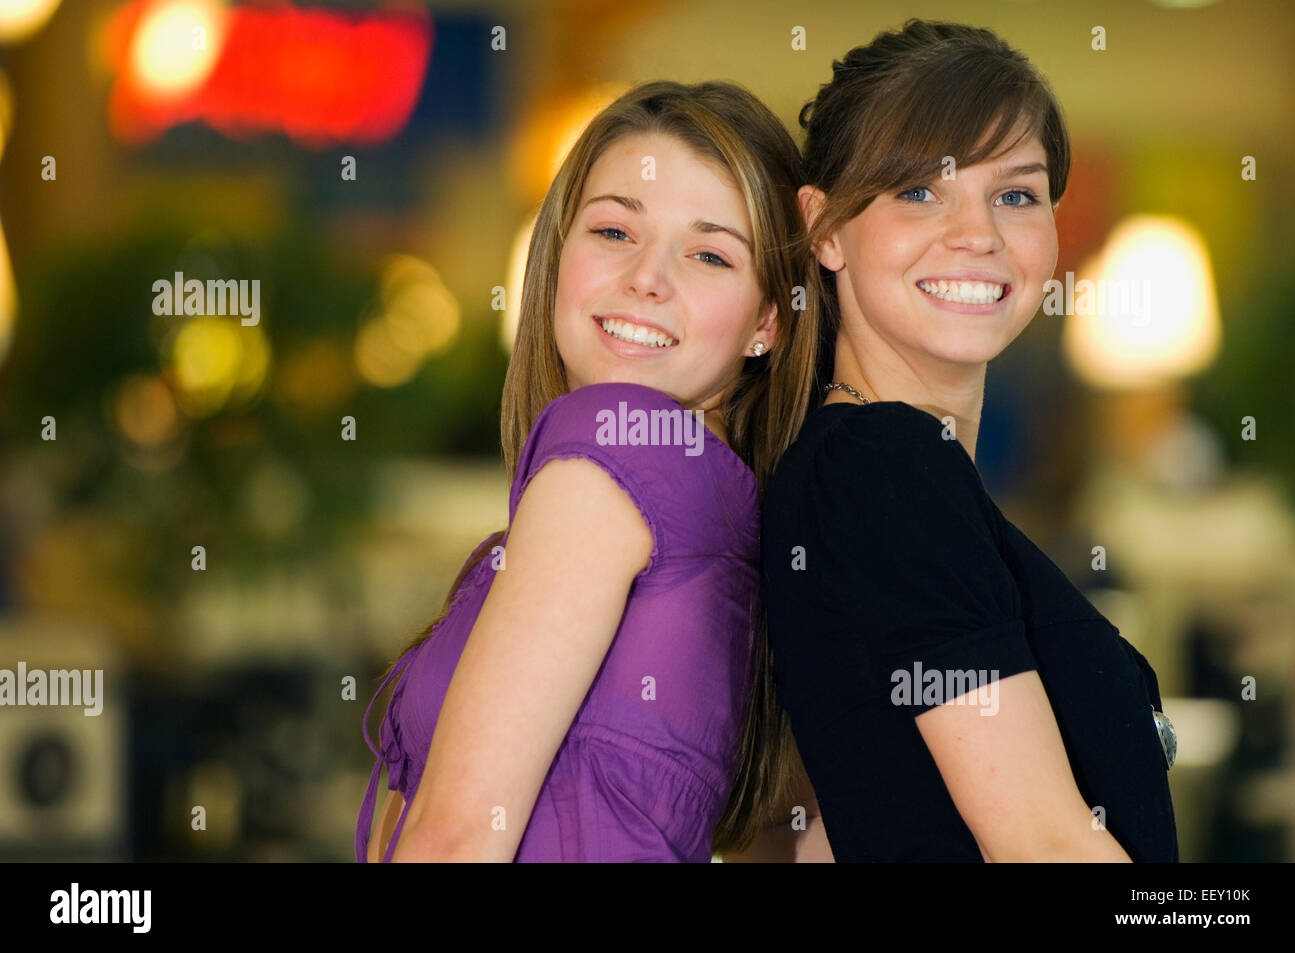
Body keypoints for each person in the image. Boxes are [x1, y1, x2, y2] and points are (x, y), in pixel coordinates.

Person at [355, 79, 825, 862]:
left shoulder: (613, 446)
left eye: (709, 253)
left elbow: (457, 836)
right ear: (556, 254)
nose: (648, 276)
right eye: (614, 231)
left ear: (767, 322)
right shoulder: (732, 514)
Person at [762, 20, 1179, 862]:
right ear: (826, 228)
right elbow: (1046, 845)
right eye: (920, 190)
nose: (978, 233)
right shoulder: (886, 468)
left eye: (1016, 194)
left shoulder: (862, 469)